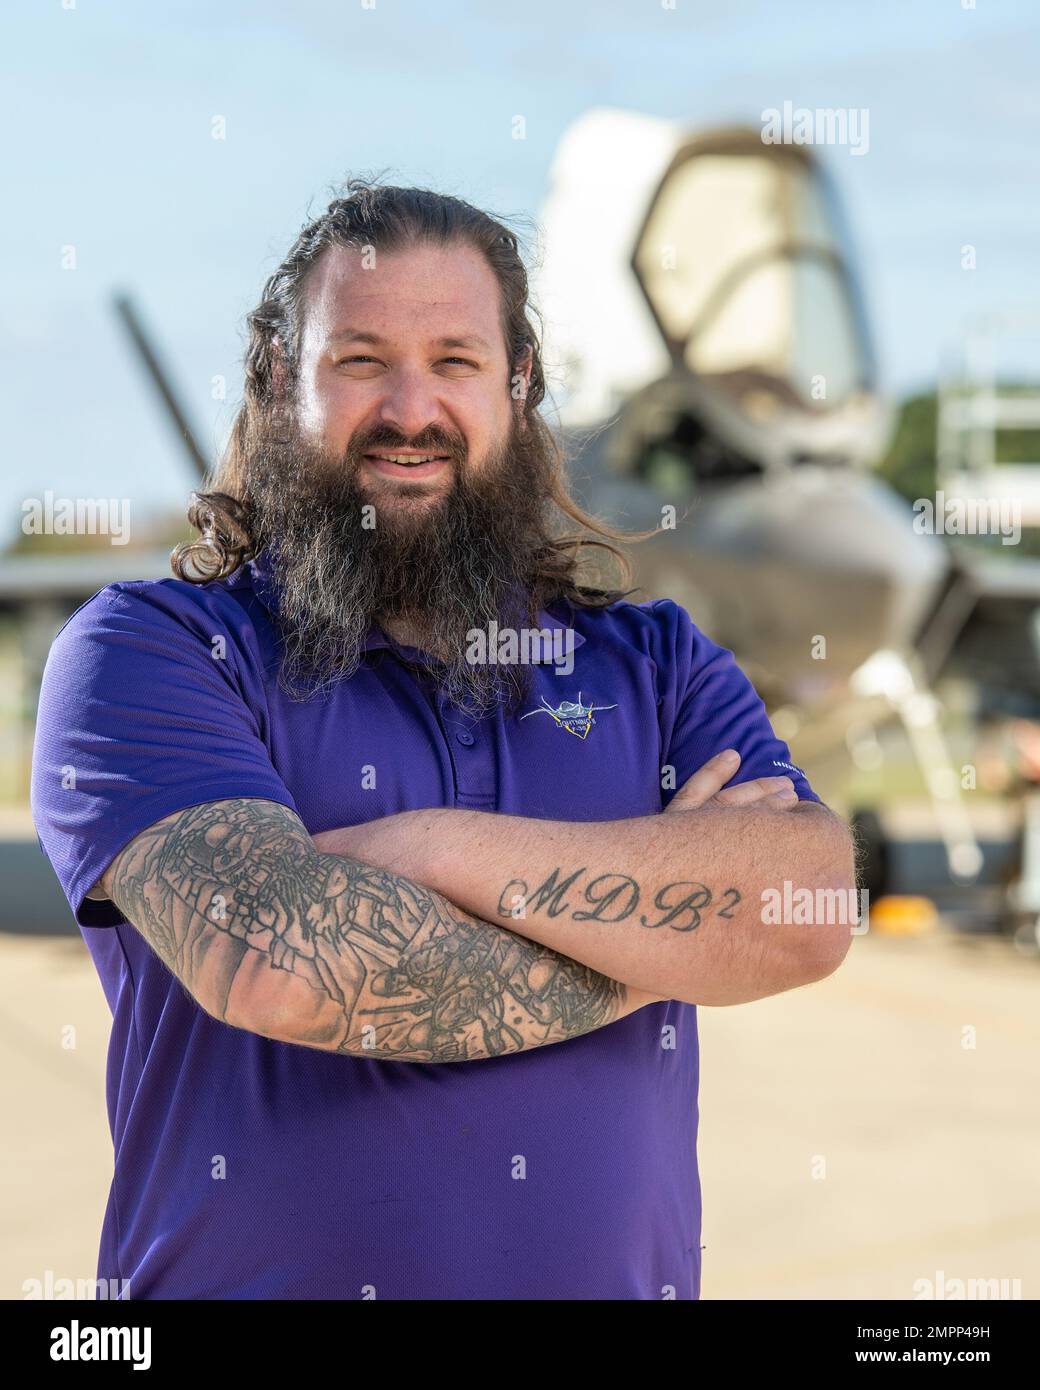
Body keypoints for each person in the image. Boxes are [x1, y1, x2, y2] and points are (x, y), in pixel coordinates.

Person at [31, 178, 855, 1301]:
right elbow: (280, 962)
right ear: (280, 382)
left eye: (456, 361)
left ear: (518, 389)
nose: (410, 408)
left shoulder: (650, 662)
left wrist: (432, 847)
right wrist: (665, 936)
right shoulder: (153, 653)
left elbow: (805, 910)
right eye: (360, 358)